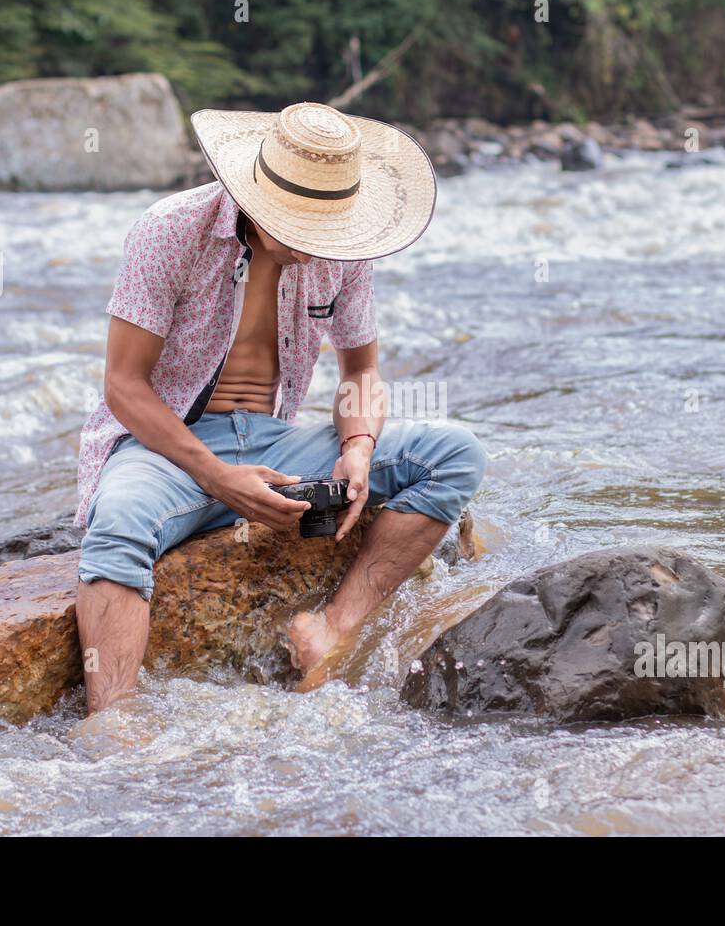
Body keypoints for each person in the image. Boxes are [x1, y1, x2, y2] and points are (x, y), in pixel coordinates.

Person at [73, 101, 486, 713]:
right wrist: (217, 479)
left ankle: (332, 629)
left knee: (453, 454)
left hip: (273, 441)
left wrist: (358, 448)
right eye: (299, 230)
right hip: (165, 447)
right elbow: (125, 386)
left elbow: (362, 372)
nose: (314, 249)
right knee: (120, 523)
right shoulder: (169, 230)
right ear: (255, 196)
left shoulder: (343, 250)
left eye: (325, 232)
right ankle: (113, 724)